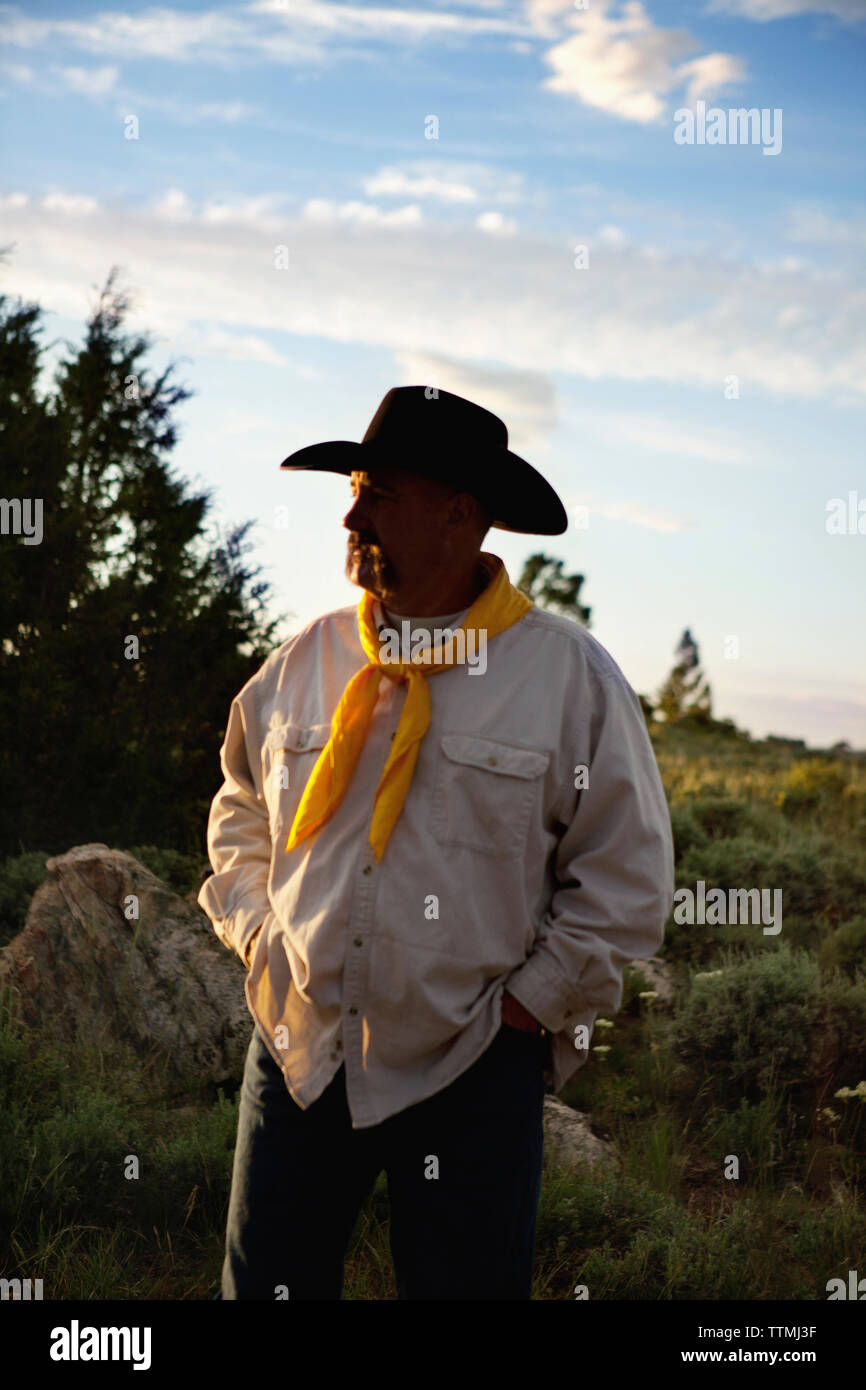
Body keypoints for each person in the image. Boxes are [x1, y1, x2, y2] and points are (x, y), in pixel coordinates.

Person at [198, 385, 674, 1300]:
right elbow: (240, 806)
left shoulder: (566, 677)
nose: (351, 512)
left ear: (461, 514)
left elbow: (627, 876)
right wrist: (262, 937)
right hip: (301, 1048)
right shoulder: (307, 659)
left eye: (379, 492)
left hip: (470, 1066)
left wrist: (527, 1015)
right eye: (356, 489)